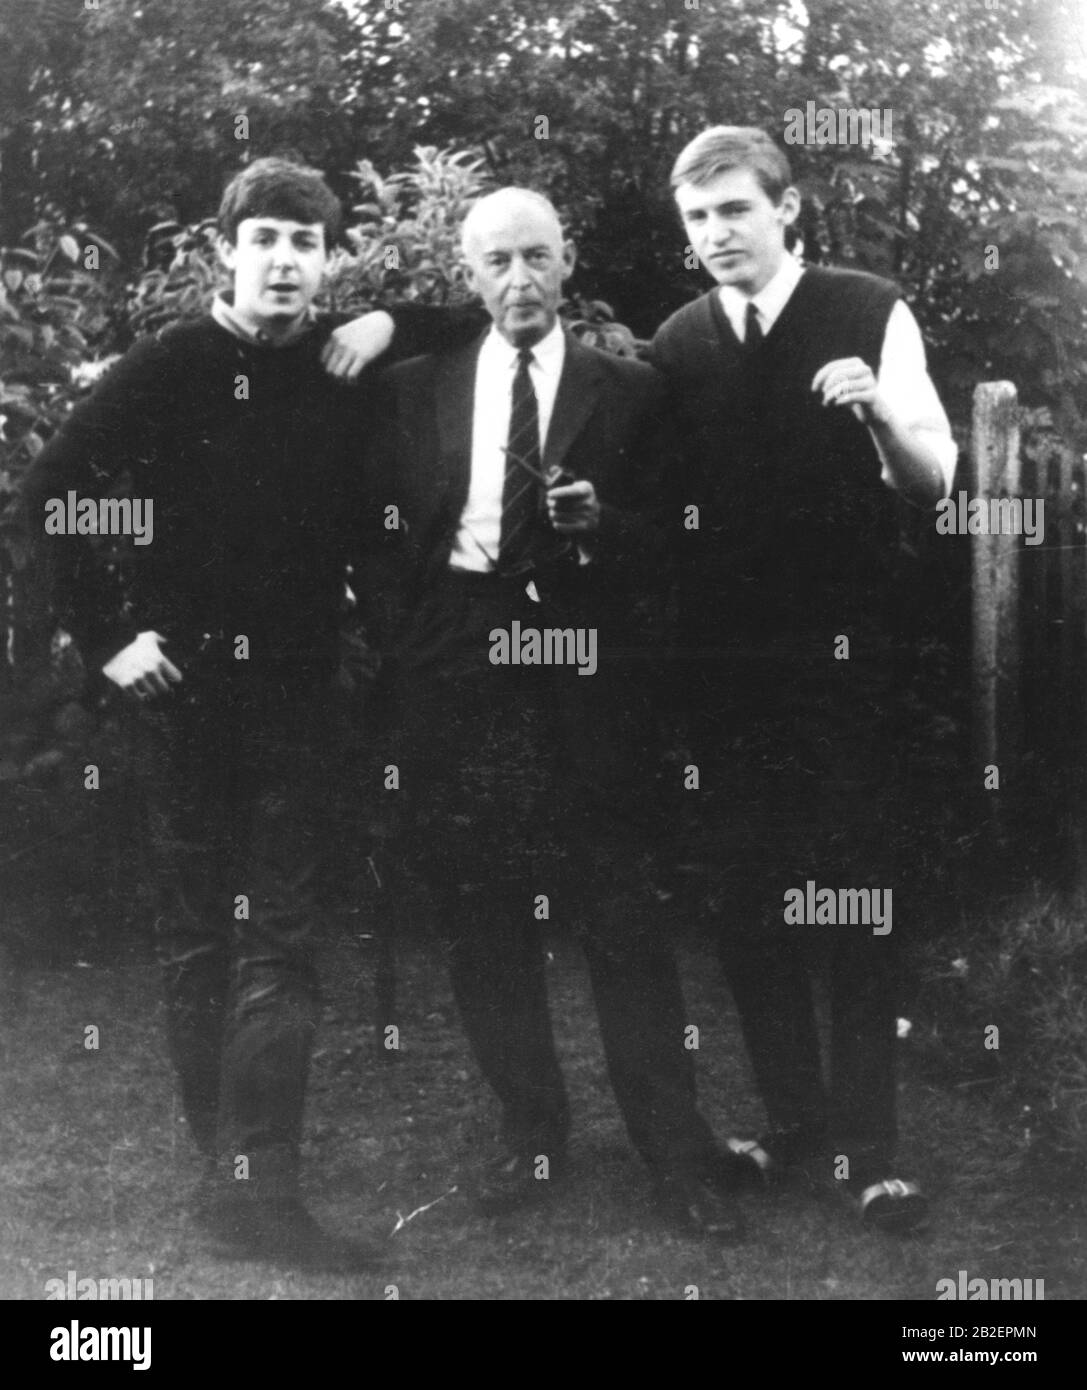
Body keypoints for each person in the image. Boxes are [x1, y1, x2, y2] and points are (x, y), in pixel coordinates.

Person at [19, 156, 472, 1272]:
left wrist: (379, 321)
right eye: (263, 239)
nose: (282, 261)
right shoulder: (169, 366)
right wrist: (111, 640)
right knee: (200, 937)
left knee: (281, 937)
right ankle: (238, 1180)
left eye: (305, 245)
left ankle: (251, 1186)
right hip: (185, 698)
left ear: (327, 260)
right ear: (228, 249)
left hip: (305, 692)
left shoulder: (340, 364)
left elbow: (483, 311)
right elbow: (46, 500)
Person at [363, 187, 741, 1240]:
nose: (519, 280)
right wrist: (416, 641)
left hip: (586, 670)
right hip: (461, 668)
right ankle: (530, 1134)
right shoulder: (414, 387)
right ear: (470, 274)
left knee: (620, 912)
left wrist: (602, 527)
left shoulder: (632, 389)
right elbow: (377, 535)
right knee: (484, 914)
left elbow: (680, 535)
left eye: (537, 257)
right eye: (498, 262)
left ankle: (675, 1155)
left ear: (568, 263)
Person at [648, 126, 957, 1231]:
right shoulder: (676, 342)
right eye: (698, 218)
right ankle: (796, 1124)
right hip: (725, 673)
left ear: (786, 209)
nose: (717, 232)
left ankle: (872, 1152)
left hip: (847, 661)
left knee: (857, 891)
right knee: (748, 903)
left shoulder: (867, 307)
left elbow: (930, 484)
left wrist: (874, 406)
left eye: (735, 209)